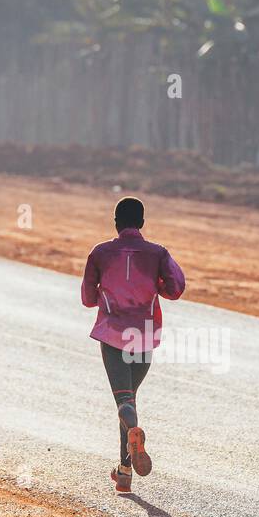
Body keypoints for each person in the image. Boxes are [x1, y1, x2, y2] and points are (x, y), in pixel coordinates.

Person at [80, 196, 186, 493]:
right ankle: (124, 473)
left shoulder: (100, 253)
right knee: (128, 402)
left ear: (116, 223)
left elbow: (87, 299)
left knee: (124, 402)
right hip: (144, 335)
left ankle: (129, 460)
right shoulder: (158, 254)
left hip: (113, 335)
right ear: (142, 223)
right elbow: (176, 288)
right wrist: (156, 285)